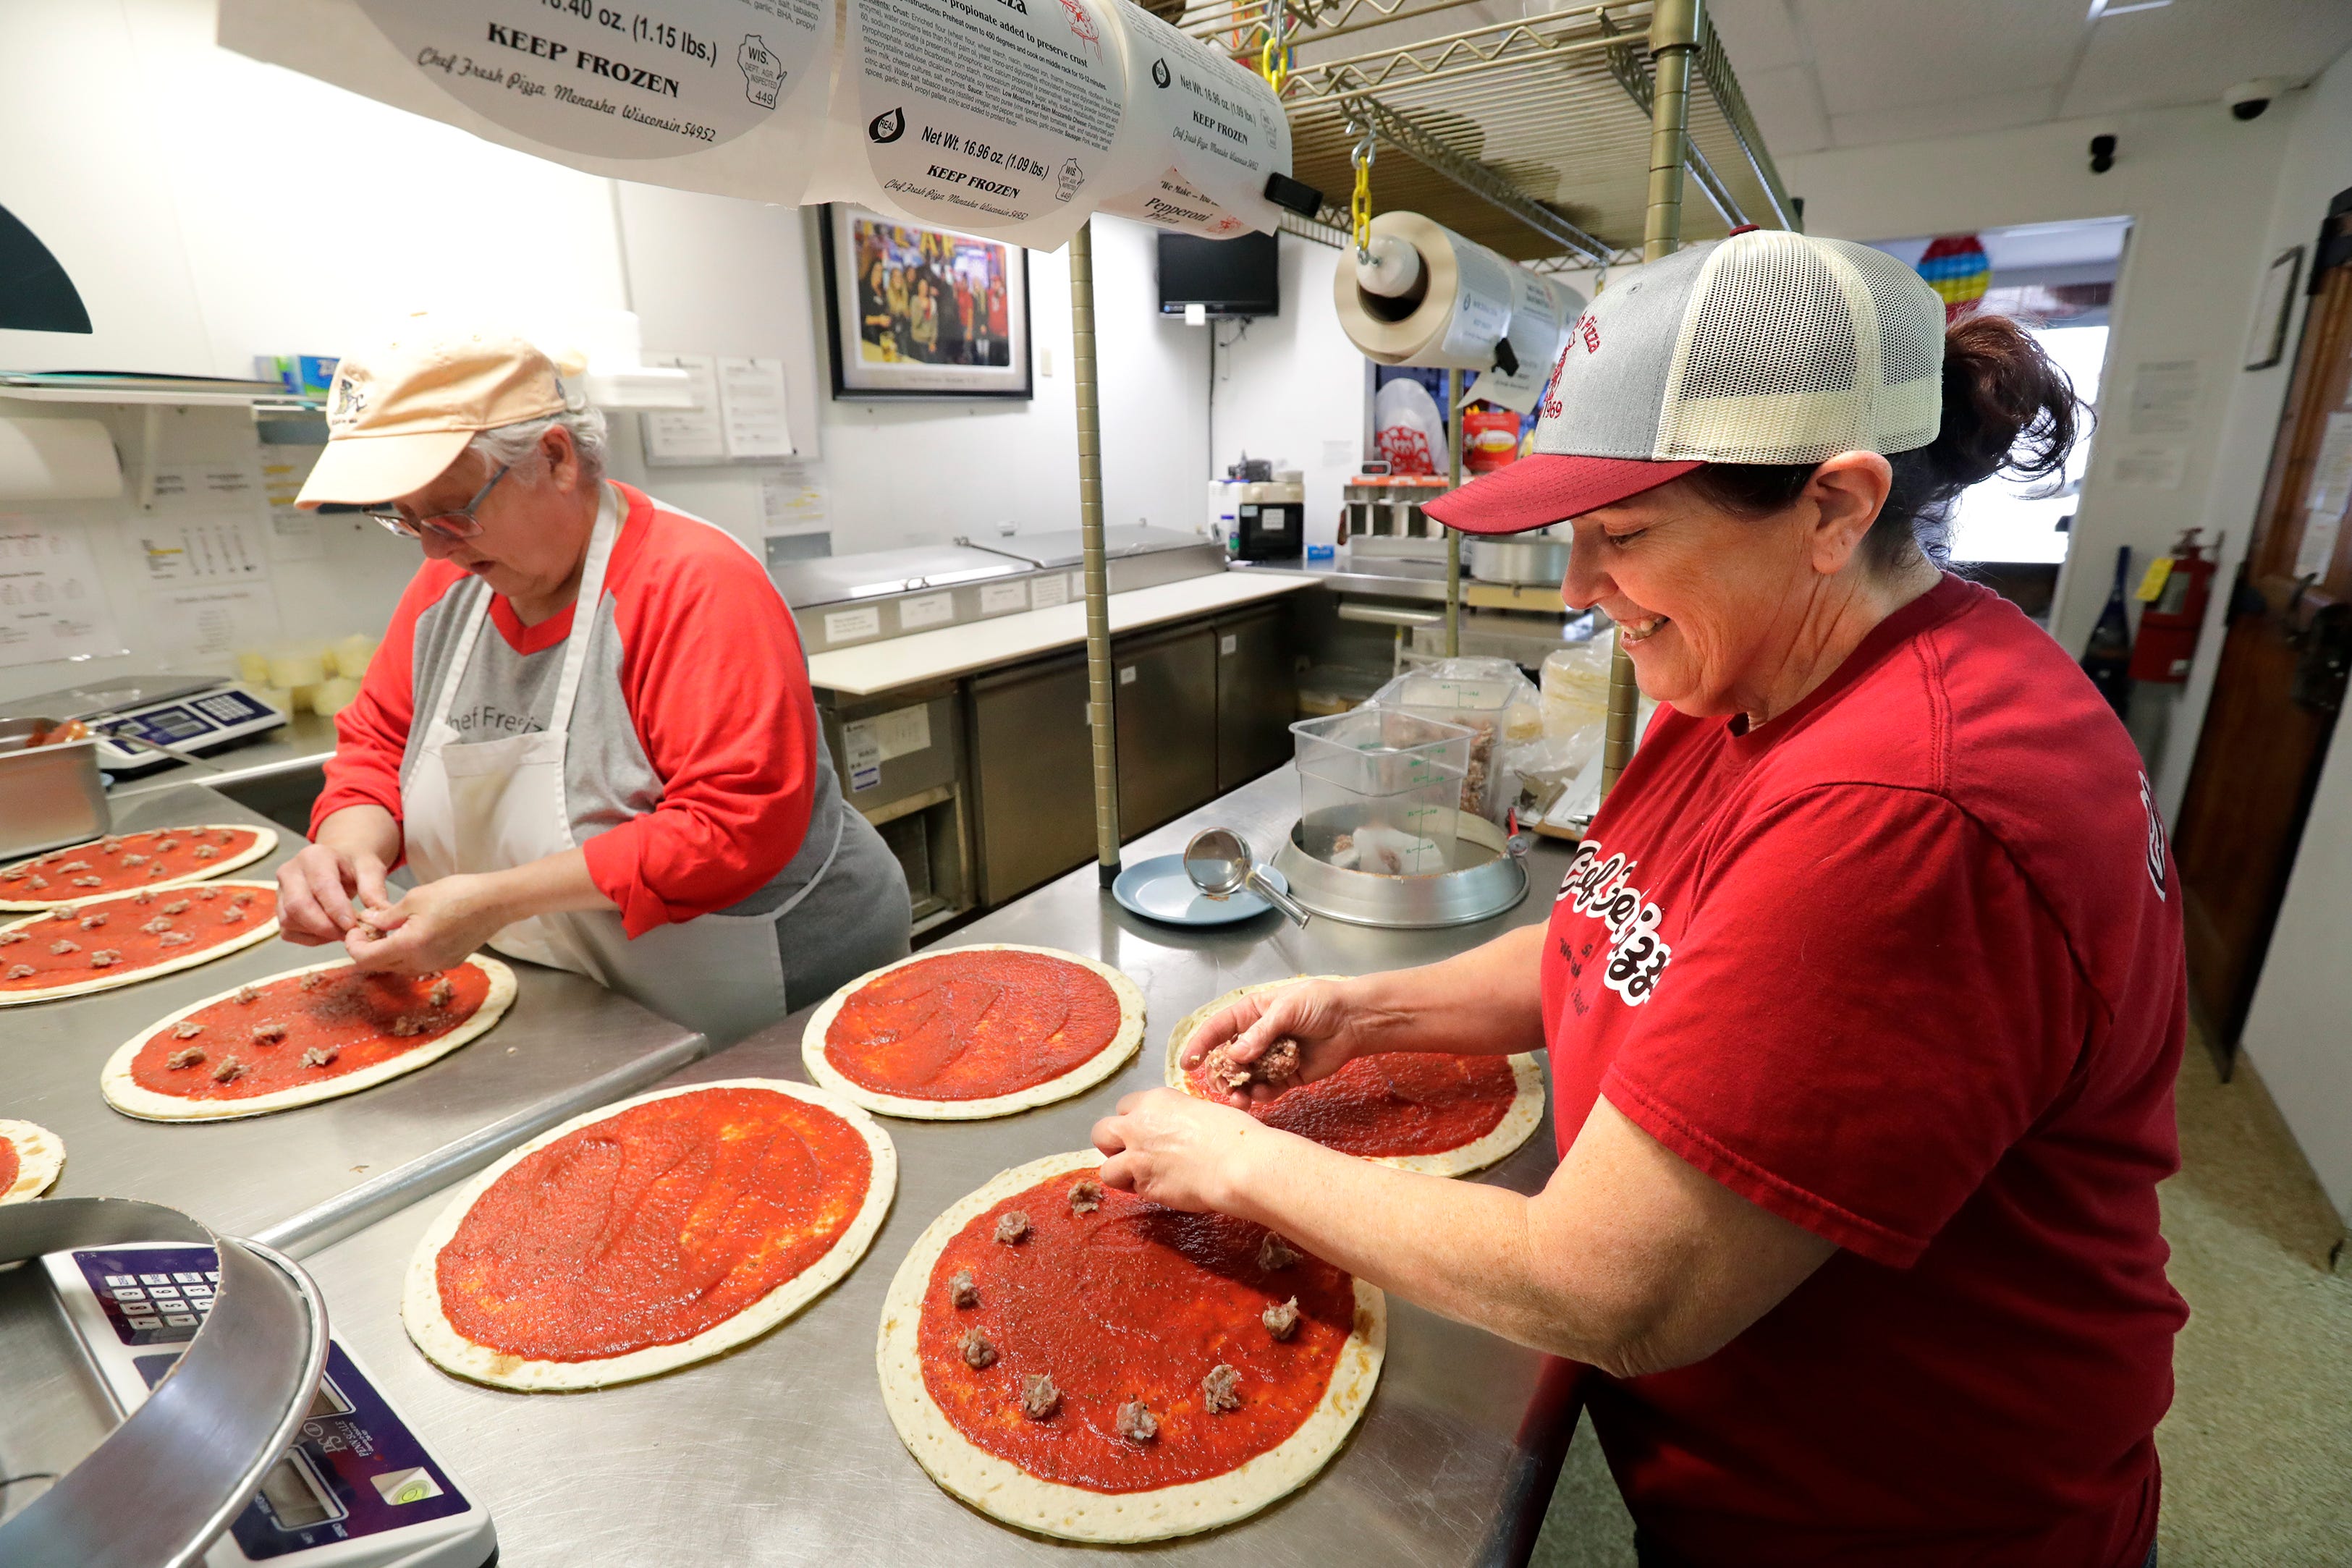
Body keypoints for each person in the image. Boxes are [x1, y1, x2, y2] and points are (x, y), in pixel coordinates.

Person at [1093, 230, 2184, 1567]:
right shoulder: (1747, 668)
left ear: (1836, 507)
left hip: (1908, 1518)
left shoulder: (1911, 810)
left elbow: (1613, 1286)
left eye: (1622, 536)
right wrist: (1362, 1011)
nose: (1578, 590)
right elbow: (1615, 934)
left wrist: (1245, 1167)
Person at [282, 319, 911, 1043]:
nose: (432, 546)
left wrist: (494, 901)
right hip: (587, 995)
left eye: (452, 511)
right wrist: (345, 851)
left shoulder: (693, 583)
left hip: (761, 979)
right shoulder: (446, 588)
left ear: (554, 458)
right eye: (403, 518)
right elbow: (379, 747)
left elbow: (731, 826)